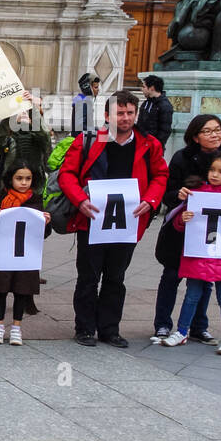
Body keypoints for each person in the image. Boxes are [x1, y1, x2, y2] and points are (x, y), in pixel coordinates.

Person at [58, 90, 168, 348]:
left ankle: (109, 329)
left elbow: (161, 176)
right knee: (88, 277)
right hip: (92, 220)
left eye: (130, 112)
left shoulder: (149, 144)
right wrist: (80, 200)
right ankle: (84, 328)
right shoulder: (88, 141)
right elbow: (67, 175)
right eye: (120, 113)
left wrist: (150, 200)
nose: (126, 118)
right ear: (107, 115)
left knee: (116, 278)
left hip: (127, 222)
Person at [151, 114, 221, 344]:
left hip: (214, 233)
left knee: (205, 279)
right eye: (208, 131)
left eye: (218, 129)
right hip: (182, 228)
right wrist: (178, 195)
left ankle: (198, 327)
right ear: (195, 136)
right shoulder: (182, 158)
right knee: (171, 275)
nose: (215, 134)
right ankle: (163, 324)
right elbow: (168, 193)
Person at [160, 155, 221, 356]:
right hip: (198, 253)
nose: (215, 175)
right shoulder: (197, 193)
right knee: (191, 294)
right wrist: (183, 219)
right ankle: (182, 331)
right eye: (213, 170)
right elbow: (179, 225)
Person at [0, 159, 50, 346]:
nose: (24, 182)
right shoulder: (1, 198)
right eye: (19, 178)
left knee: (22, 290)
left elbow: (43, 233)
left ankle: (17, 327)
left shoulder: (35, 200)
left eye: (27, 178)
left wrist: (46, 222)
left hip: (25, 254)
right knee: (0, 290)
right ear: (11, 179)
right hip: (2, 251)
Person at [137, 75, 174, 154]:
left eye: (144, 86)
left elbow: (165, 130)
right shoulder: (146, 103)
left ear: (152, 88)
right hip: (141, 145)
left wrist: (155, 145)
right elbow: (140, 124)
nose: (141, 89)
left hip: (154, 149)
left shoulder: (165, 106)